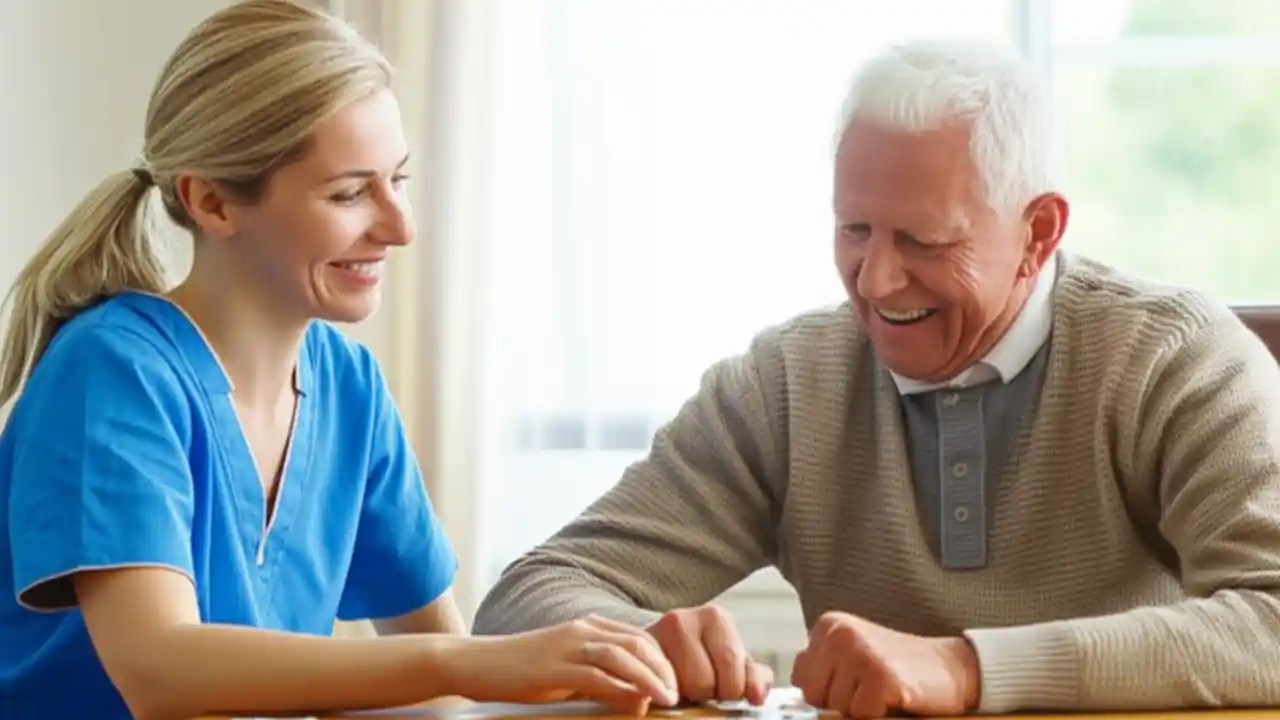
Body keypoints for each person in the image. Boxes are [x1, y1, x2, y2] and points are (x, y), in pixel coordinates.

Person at [474, 38, 1280, 718]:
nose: (876, 280)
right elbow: (525, 598)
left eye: (924, 241)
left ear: (1038, 232)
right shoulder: (787, 384)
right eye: (854, 229)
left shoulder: (1176, 358)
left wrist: (965, 669)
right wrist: (637, 641)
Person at [0, 2, 679, 719]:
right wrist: (475, 662)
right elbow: (158, 669)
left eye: (400, 180)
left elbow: (438, 697)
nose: (400, 226)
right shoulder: (113, 373)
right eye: (351, 192)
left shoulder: (349, 389)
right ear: (213, 203)